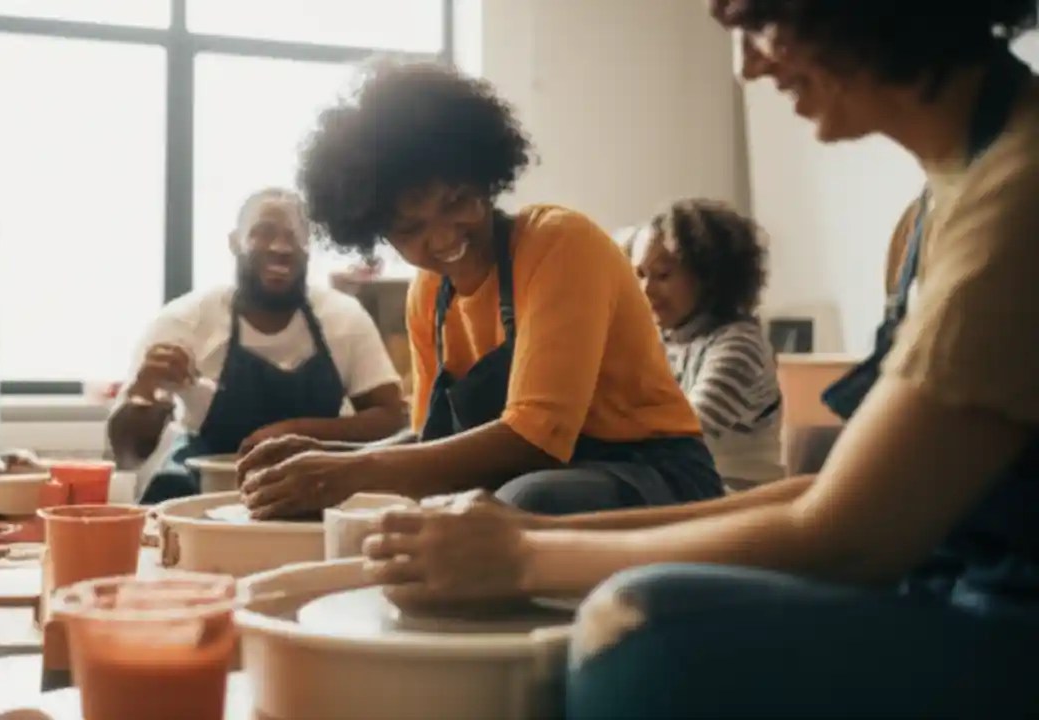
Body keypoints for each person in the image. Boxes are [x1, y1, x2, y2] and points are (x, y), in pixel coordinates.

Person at [362, 2, 1039, 715]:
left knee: (642, 636)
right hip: (941, 577)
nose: (748, 65)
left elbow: (850, 538)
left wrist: (526, 556)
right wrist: (533, 537)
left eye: (760, 22)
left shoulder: (1017, 200)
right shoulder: (938, 204)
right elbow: (834, 493)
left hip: (1006, 615)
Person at [237, 62, 723, 520]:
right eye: (412, 228)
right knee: (449, 510)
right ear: (378, 235)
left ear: (486, 180)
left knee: (520, 502)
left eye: (458, 202)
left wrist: (350, 472)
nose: (445, 236)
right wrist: (330, 457)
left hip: (656, 476)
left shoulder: (558, 243)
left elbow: (534, 439)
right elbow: (434, 444)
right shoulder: (428, 295)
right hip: (535, 475)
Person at [107, 187, 407, 504]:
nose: (281, 247)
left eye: (294, 236)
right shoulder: (186, 322)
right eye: (263, 233)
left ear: (308, 249)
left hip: (313, 490)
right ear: (235, 243)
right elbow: (128, 454)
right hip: (204, 492)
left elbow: (390, 417)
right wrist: (143, 392)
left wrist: (295, 433)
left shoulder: (343, 318)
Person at [625, 199, 784, 490]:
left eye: (663, 275)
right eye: (640, 275)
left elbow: (685, 432)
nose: (646, 289)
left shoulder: (739, 344)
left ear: (708, 276)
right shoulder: (662, 340)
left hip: (736, 496)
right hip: (682, 486)